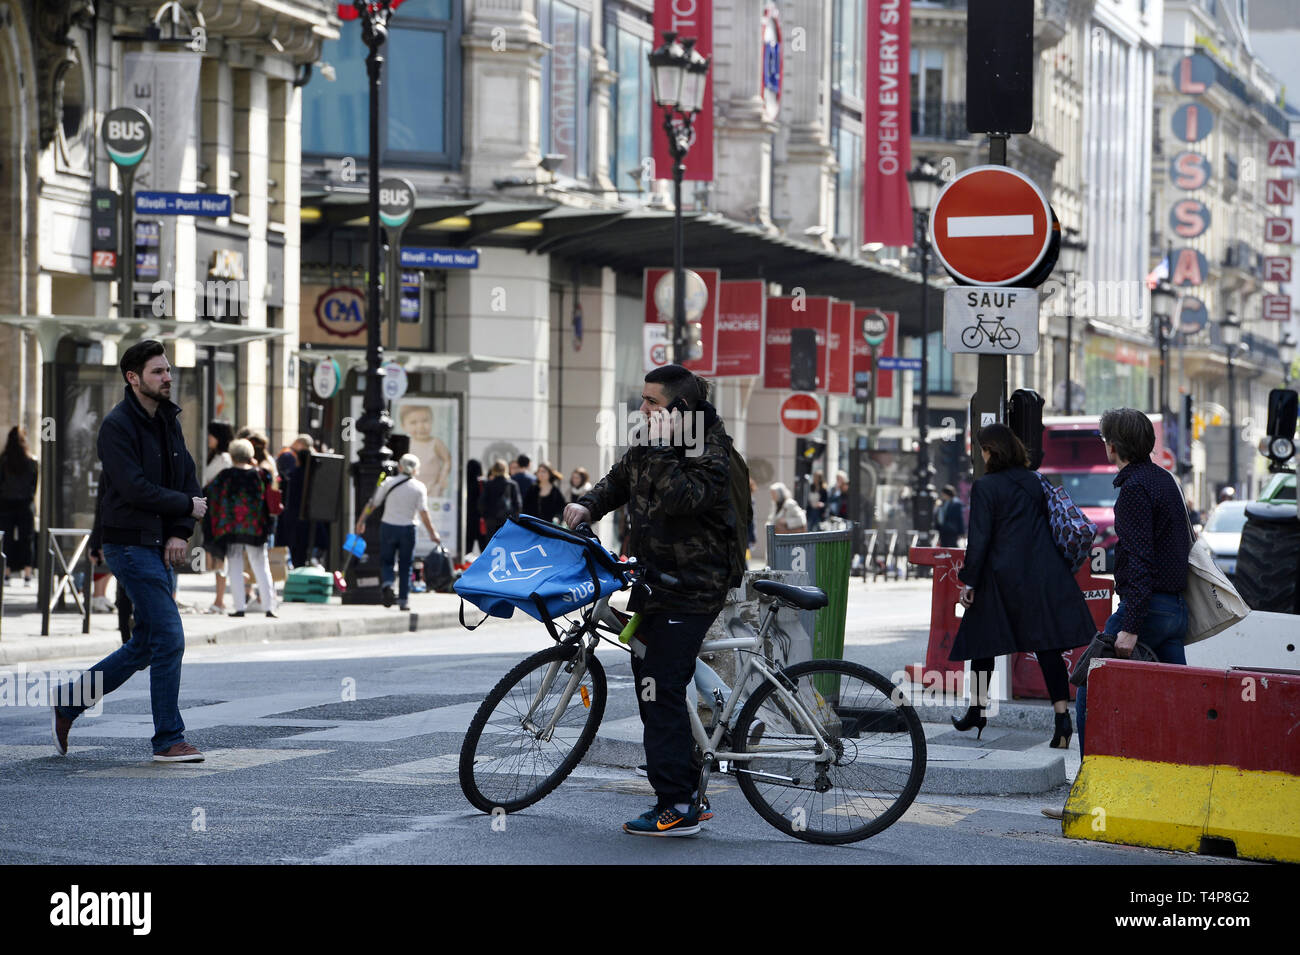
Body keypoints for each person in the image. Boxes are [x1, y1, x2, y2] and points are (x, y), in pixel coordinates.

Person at [565, 364, 737, 837]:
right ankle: (685, 781)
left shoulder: (710, 447)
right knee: (654, 682)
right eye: (642, 400)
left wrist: (662, 448)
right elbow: (622, 479)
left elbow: (686, 498)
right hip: (657, 581)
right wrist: (588, 504)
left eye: (651, 402)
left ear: (680, 408)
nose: (641, 409)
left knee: (660, 690)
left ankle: (678, 806)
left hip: (694, 585)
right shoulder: (649, 441)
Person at [52, 340, 206, 762]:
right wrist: (183, 508)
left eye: (168, 370)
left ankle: (67, 704)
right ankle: (168, 739)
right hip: (129, 545)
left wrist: (180, 531)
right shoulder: (117, 426)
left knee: (144, 646)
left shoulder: (169, 422)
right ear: (133, 378)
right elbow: (132, 488)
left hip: (163, 545)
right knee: (171, 638)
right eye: (158, 372)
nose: (168, 378)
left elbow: (188, 482)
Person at [950, 424, 1094, 748]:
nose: (981, 454)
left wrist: (969, 580)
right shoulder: (1035, 481)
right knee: (1047, 647)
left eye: (983, 448)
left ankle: (977, 709)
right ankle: (1061, 720)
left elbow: (980, 539)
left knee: (981, 642)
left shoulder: (986, 487)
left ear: (993, 451)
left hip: (1000, 577)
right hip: (1042, 573)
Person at [1074, 408, 1191, 754]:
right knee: (1178, 701)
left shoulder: (1134, 489)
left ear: (1113, 446)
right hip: (1174, 608)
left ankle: (1089, 790)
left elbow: (1140, 560)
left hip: (1147, 609)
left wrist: (1131, 624)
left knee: (1091, 684)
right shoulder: (1164, 479)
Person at [355, 453, 440, 610]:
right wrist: (432, 533)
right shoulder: (419, 487)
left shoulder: (388, 482)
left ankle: (388, 584)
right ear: (416, 470)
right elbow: (423, 513)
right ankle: (403, 600)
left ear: (400, 467)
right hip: (408, 528)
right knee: (405, 564)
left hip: (388, 526)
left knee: (387, 561)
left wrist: (361, 521)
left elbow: (372, 504)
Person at [205, 438, 278, 619]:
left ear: (232, 455)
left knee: (235, 567)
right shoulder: (261, 475)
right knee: (261, 566)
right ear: (250, 455)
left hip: (231, 528)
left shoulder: (226, 475)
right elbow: (272, 494)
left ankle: (239, 607)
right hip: (255, 527)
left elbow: (208, 492)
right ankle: (269, 607)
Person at [201, 420, 234, 613]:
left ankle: (220, 599)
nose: (208, 438)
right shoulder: (214, 456)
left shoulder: (224, 459)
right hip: (211, 512)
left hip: (219, 514)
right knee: (215, 553)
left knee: (219, 555)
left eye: (211, 434)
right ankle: (219, 599)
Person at [0, 425, 38, 587]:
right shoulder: (32, 461)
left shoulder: (3, 461)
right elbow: (34, 486)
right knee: (27, 539)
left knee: (6, 539)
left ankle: (6, 573)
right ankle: (27, 575)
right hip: (25, 504)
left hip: (5, 504)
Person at [479, 458, 522, 541]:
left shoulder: (489, 484)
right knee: (507, 544)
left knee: (492, 544)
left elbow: (481, 503)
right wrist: (514, 518)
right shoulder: (512, 484)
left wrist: (486, 516)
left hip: (491, 520)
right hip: (508, 520)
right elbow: (518, 504)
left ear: (493, 470)